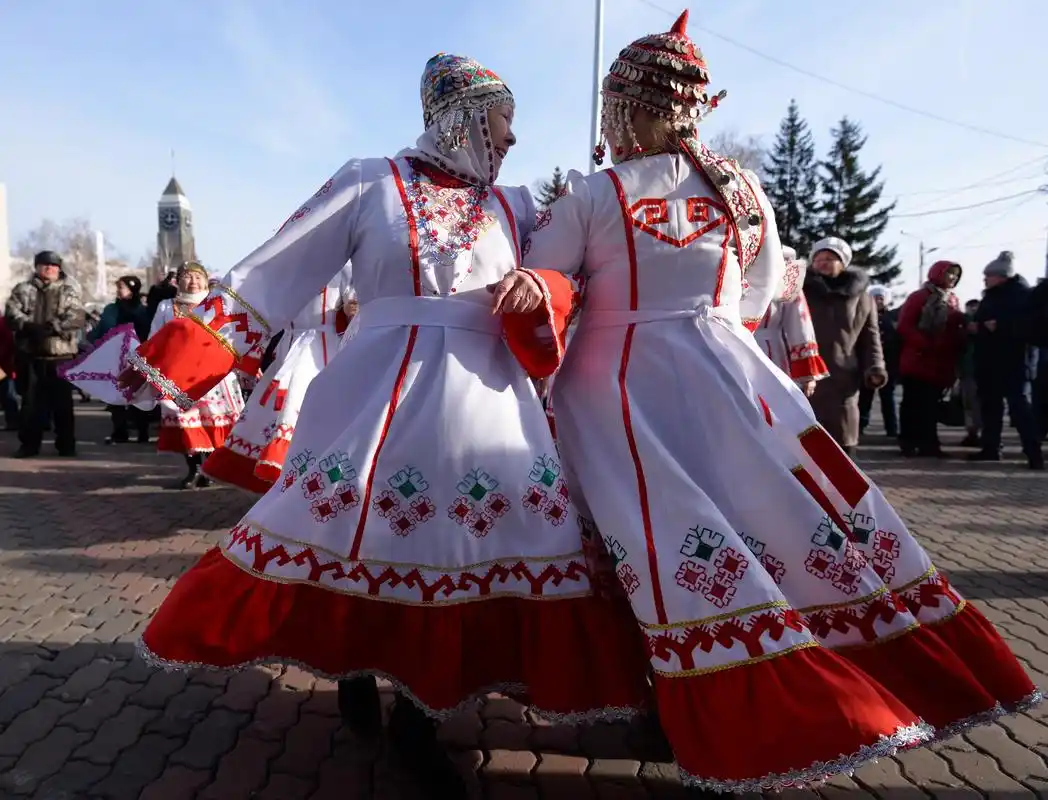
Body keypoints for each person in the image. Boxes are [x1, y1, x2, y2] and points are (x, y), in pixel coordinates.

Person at [518, 10, 1039, 791]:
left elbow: (545, 280)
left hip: (616, 385)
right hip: (729, 376)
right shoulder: (741, 189)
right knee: (751, 524)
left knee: (644, 540)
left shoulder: (597, 192)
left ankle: (665, 699)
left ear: (625, 108)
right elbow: (760, 296)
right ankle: (788, 680)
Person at [117, 53, 651, 794]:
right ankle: (373, 675)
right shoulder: (371, 181)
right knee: (368, 537)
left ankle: (422, 711)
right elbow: (279, 265)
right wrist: (185, 353)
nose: (514, 137)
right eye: (506, 118)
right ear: (465, 113)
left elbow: (572, 277)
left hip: (489, 400)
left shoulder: (519, 204)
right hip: (382, 395)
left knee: (464, 548)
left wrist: (552, 288)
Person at [201, 271, 355, 493]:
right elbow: (265, 315)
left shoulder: (343, 268)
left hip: (322, 351)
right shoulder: (293, 266)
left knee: (301, 410)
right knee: (281, 413)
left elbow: (355, 308)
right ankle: (289, 488)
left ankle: (311, 485)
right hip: (288, 350)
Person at [150, 262, 245, 488]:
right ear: (178, 281)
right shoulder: (167, 307)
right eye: (188, 277)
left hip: (212, 374)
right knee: (186, 422)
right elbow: (154, 337)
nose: (193, 282)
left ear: (205, 280)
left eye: (198, 277)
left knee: (213, 420)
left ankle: (210, 469)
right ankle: (194, 469)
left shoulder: (218, 304)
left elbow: (232, 336)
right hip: (179, 375)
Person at [803, 237, 887, 455]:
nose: (823, 262)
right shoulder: (800, 291)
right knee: (805, 441)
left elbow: (870, 338)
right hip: (805, 376)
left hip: (843, 378)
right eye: (818, 258)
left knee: (843, 442)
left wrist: (875, 367)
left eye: (830, 258)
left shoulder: (862, 298)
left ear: (843, 263)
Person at [4, 250, 84, 458]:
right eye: (44, 264)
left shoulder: (69, 290)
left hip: (60, 355)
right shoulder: (23, 289)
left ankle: (66, 444)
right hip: (31, 355)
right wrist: (28, 326)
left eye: (53, 265)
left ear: (59, 268)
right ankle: (29, 445)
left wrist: (53, 327)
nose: (49, 268)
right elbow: (12, 312)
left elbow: (76, 317)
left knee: (63, 404)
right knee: (30, 404)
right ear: (36, 267)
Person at [968, 251, 1043, 468]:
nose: (985, 279)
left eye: (988, 276)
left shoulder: (1023, 296)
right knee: (991, 407)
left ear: (1001, 276)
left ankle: (1033, 453)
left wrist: (999, 327)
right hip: (991, 362)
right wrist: (979, 328)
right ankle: (991, 448)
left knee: (1019, 408)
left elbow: (1029, 328)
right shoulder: (993, 295)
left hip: (1015, 362)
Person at [895, 261, 967, 458]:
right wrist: (925, 344)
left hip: (941, 363)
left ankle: (928, 443)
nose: (952, 278)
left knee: (931, 405)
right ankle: (909, 442)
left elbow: (954, 328)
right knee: (913, 403)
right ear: (938, 274)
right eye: (949, 274)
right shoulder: (919, 297)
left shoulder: (953, 300)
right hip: (918, 361)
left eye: (955, 275)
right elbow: (904, 326)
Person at [752, 246, 828, 396]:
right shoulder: (728, 267)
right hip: (732, 346)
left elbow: (799, 322)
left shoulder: (787, 276)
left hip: (770, 352)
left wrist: (806, 370)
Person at [88, 276, 152, 445]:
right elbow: (102, 329)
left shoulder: (142, 310)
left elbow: (146, 333)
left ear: (132, 289)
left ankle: (142, 432)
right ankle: (119, 432)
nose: (118, 291)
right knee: (115, 396)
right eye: (118, 287)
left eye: (122, 287)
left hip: (136, 358)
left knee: (138, 395)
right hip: (113, 356)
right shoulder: (111, 309)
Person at [859, 286, 900, 437]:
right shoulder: (863, 315)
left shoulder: (891, 318)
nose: (878, 301)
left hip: (888, 364)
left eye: (881, 298)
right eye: (875, 298)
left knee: (888, 398)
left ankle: (892, 429)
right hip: (868, 364)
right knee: (865, 398)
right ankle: (860, 426)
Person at [958, 298, 983, 447]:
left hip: (975, 370)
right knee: (969, 404)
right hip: (967, 370)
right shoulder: (964, 328)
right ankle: (972, 432)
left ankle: (976, 432)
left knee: (975, 403)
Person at [0, 314, 17, 431]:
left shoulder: (2, 322)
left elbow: (7, 343)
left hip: (3, 365)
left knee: (6, 393)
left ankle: (13, 421)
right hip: (4, 364)